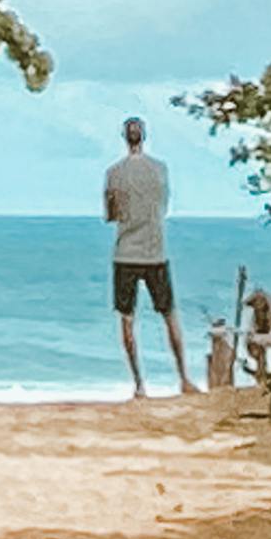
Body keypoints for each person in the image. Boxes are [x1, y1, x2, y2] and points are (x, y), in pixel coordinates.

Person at [102, 114, 186, 394]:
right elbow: (164, 207)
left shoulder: (113, 173)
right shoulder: (160, 169)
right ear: (144, 136)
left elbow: (110, 215)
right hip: (155, 250)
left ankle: (139, 384)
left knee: (127, 319)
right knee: (169, 315)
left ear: (125, 137)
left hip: (125, 252)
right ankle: (183, 377)